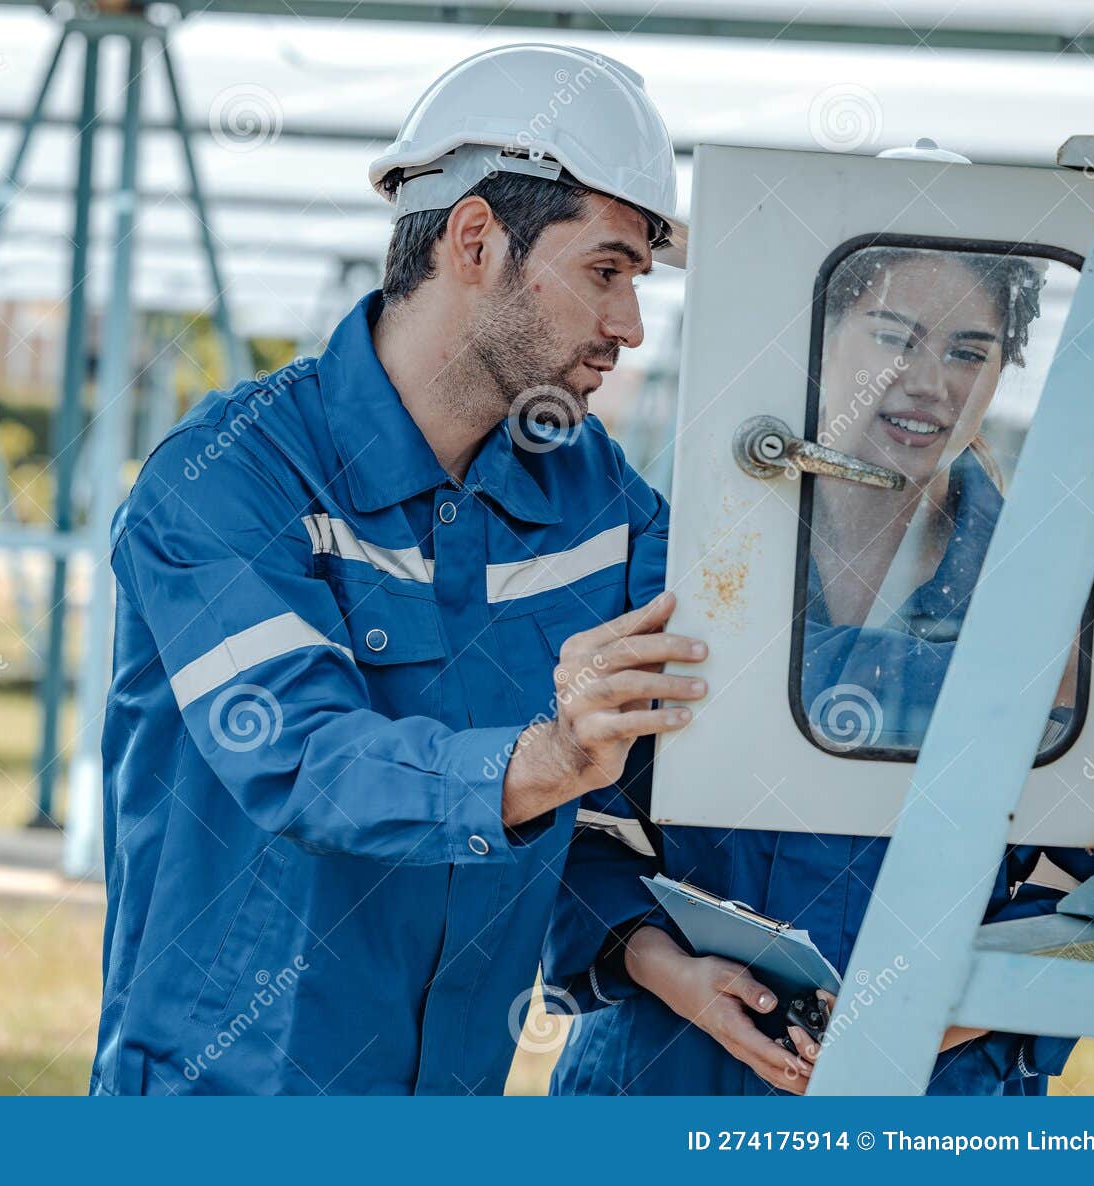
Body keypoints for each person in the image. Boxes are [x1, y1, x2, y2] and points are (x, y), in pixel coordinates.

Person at [90, 44, 720, 1095]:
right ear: (475, 238)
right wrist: (551, 757)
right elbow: (302, 758)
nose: (631, 325)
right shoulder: (226, 478)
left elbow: (713, 686)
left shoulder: (591, 493)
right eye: (604, 271)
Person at [544, 244, 1094, 1097]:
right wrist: (673, 972)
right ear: (815, 336)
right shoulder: (679, 565)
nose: (932, 380)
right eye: (897, 337)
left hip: (925, 1094)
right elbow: (579, 827)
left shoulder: (1053, 599)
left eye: (970, 351)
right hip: (666, 1072)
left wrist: (919, 1024)